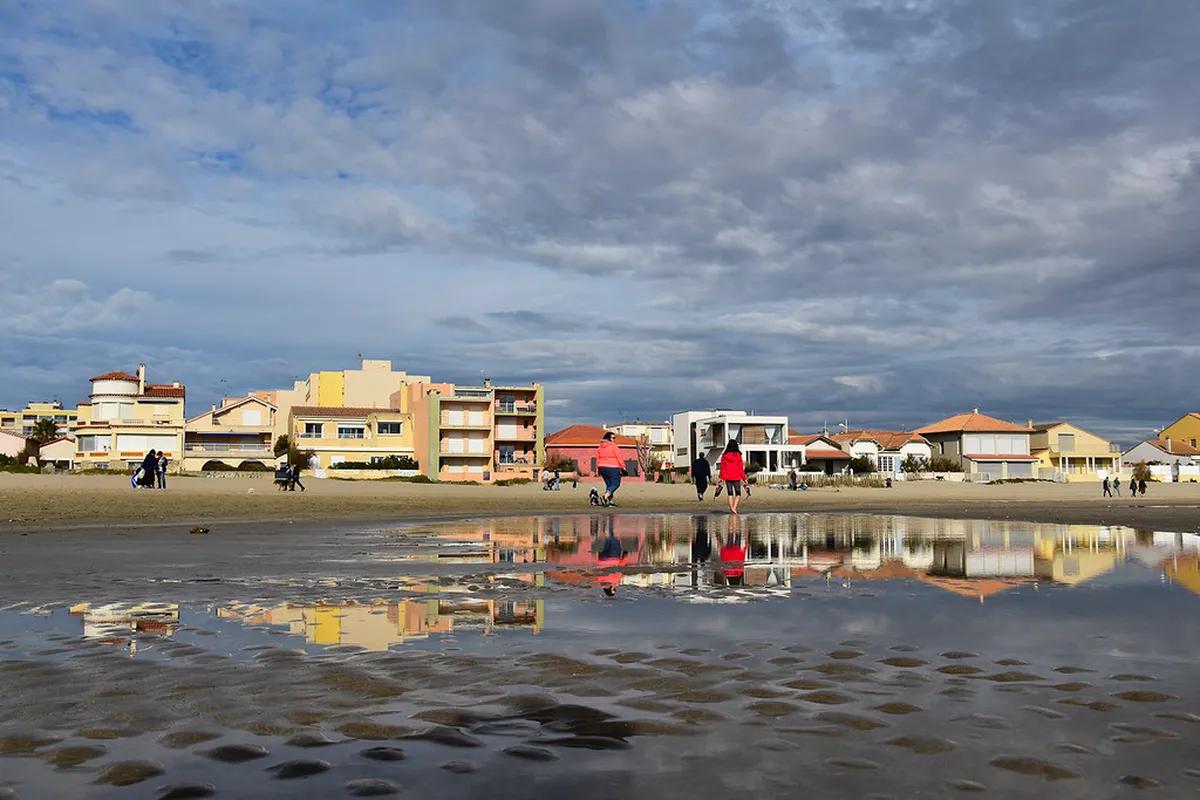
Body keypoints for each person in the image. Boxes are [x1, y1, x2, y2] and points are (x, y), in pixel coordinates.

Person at [595, 431, 626, 507]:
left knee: (609, 485)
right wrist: (623, 467)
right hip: (613, 467)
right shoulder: (613, 446)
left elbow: (597, 459)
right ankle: (604, 497)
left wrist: (597, 469)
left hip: (602, 468)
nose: (614, 439)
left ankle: (610, 501)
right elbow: (619, 457)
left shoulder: (600, 447)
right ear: (609, 438)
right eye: (613, 438)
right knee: (616, 484)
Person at [718, 439, 747, 514]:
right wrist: (744, 478)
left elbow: (722, 467)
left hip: (727, 476)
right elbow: (741, 468)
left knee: (730, 493)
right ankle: (734, 508)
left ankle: (732, 509)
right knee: (738, 493)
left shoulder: (724, 456)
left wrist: (721, 478)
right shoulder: (738, 455)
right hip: (736, 476)